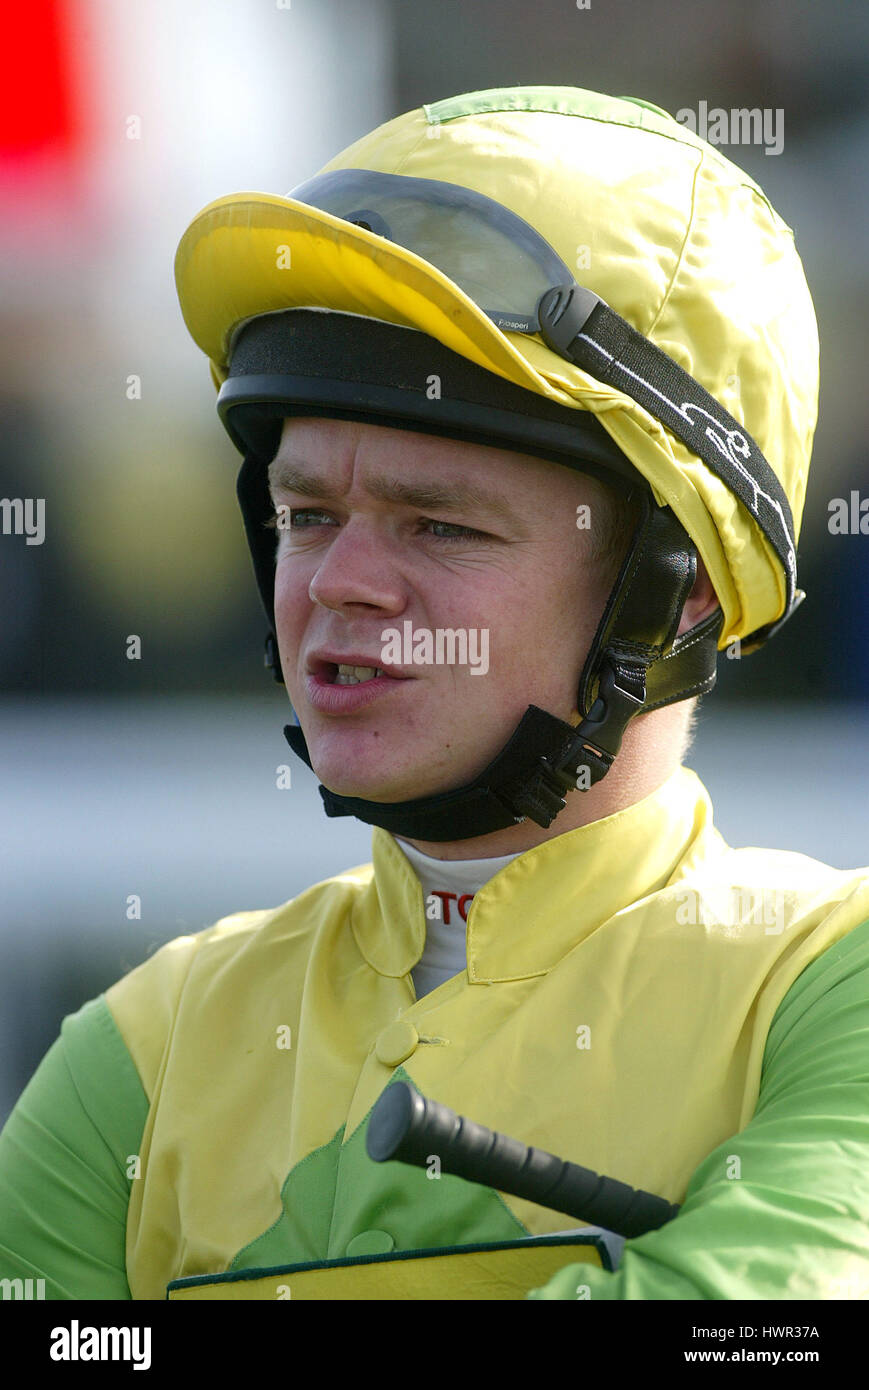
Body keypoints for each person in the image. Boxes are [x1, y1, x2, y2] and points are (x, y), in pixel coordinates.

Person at [2, 84, 868, 1302]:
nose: (339, 583)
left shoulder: (829, 989)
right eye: (308, 514)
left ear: (677, 595)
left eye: (441, 526)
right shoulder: (135, 1053)